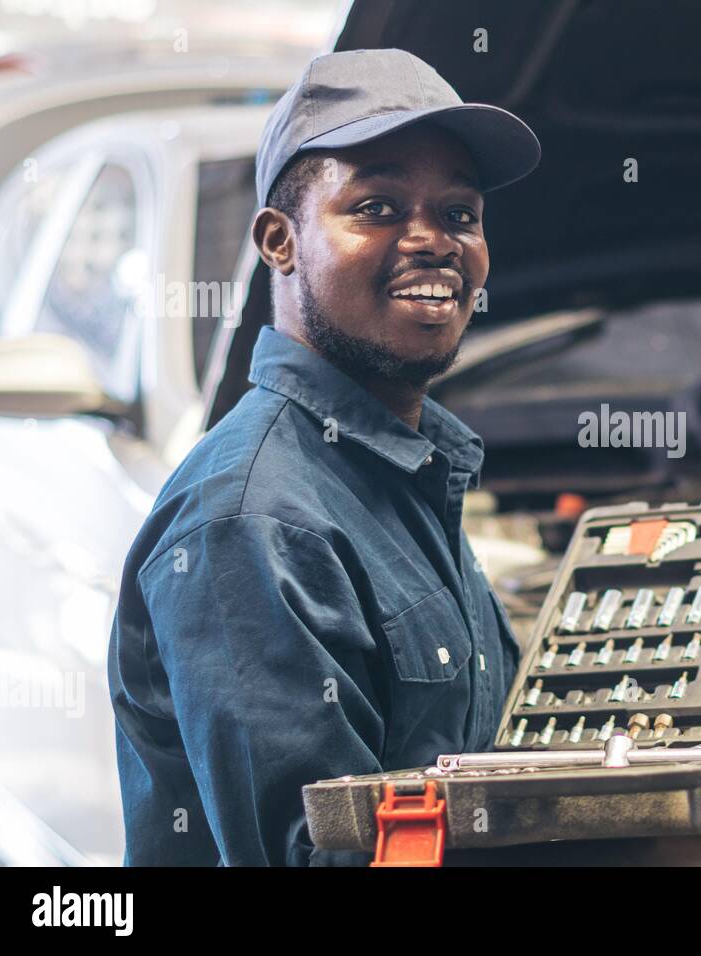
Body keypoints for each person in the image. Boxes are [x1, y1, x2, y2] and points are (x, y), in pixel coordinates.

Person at [108, 48, 540, 865]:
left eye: (459, 213)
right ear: (280, 241)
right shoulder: (254, 520)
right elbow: (324, 858)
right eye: (376, 207)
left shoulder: (404, 475)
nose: (433, 242)